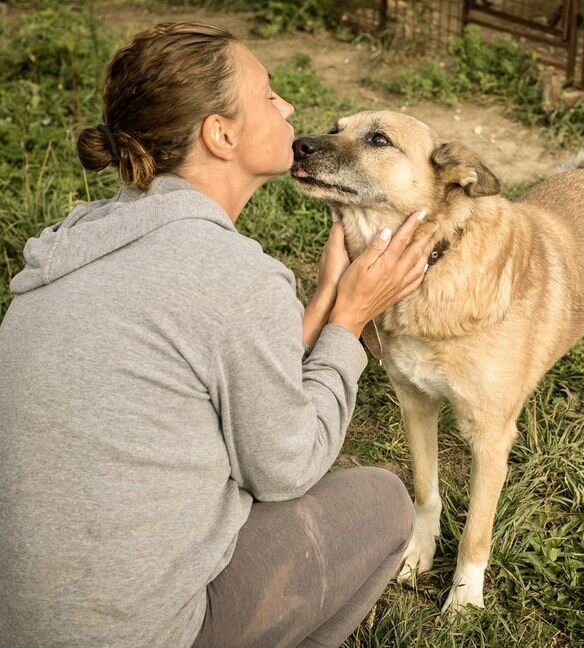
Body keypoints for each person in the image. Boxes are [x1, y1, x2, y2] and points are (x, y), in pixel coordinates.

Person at [0, 22, 435, 648]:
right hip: (146, 635)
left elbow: (212, 367)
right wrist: (349, 322)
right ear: (221, 134)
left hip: (24, 621)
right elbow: (287, 467)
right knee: (382, 503)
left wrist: (320, 306)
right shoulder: (231, 277)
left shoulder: (79, 242)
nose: (288, 108)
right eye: (269, 96)